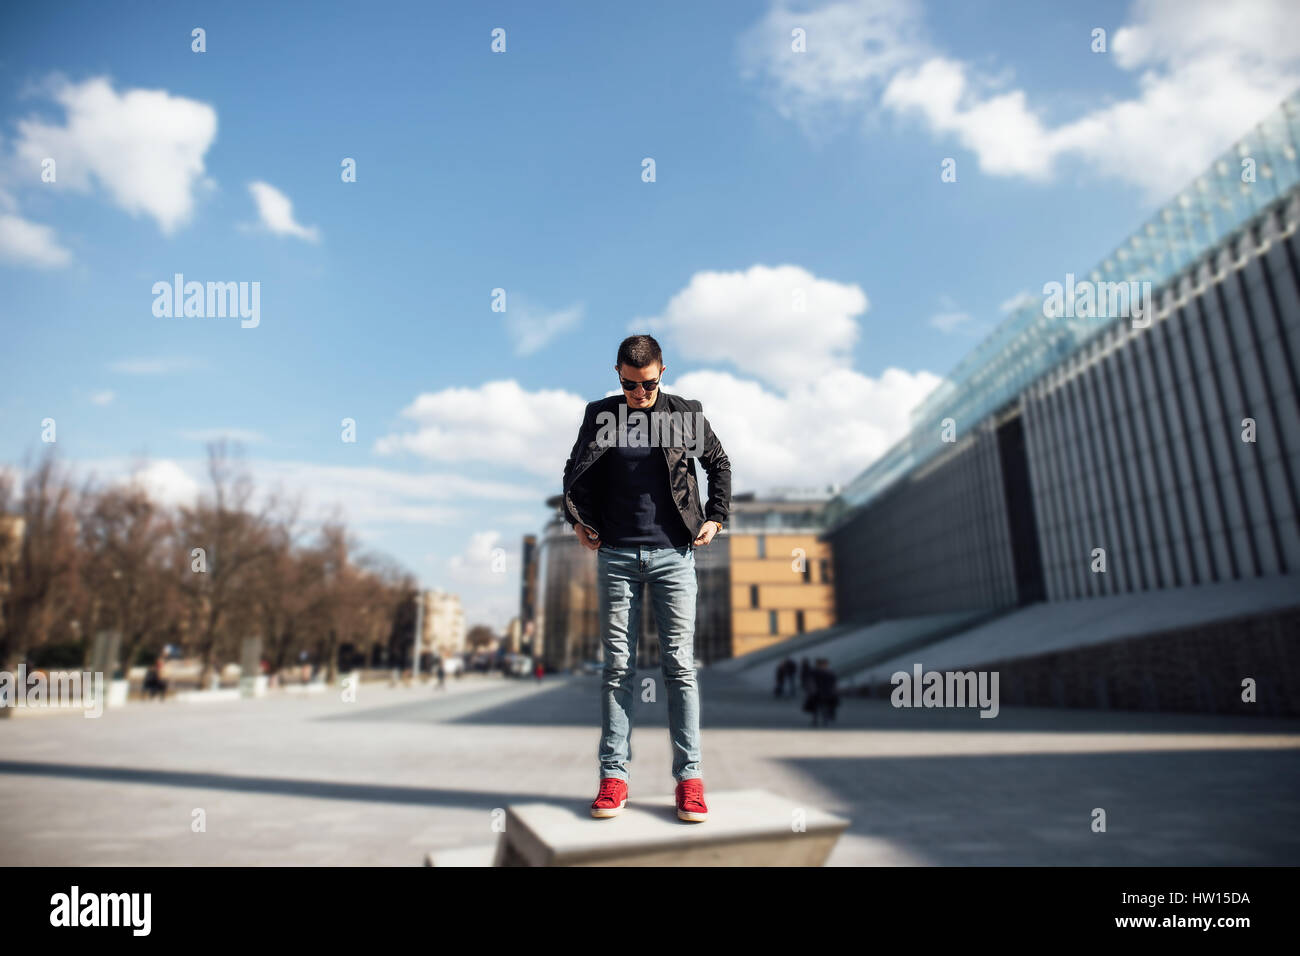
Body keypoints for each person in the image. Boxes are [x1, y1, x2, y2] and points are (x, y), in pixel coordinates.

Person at [564, 335, 731, 823]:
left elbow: (717, 463)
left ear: (664, 372)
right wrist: (578, 520)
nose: (641, 393)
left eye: (651, 383)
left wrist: (716, 516)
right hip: (615, 553)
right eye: (632, 384)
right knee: (617, 667)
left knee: (679, 666)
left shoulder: (685, 413)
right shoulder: (602, 415)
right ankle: (613, 779)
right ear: (617, 373)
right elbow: (576, 473)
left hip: (673, 554)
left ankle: (690, 781)